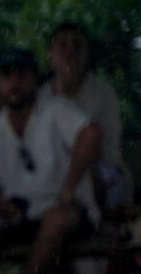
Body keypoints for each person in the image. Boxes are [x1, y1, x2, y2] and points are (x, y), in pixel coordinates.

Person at [0, 48, 101, 274]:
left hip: (68, 212)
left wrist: (69, 188)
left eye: (21, 75)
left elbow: (91, 134)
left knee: (56, 220)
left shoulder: (55, 109)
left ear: (34, 79)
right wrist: (0, 205)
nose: (14, 83)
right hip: (21, 220)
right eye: (6, 76)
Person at [43, 22, 131, 213]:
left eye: (77, 46)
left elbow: (107, 148)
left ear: (86, 55)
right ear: (51, 55)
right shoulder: (41, 96)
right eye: (62, 45)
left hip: (100, 170)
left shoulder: (103, 93)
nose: (69, 52)